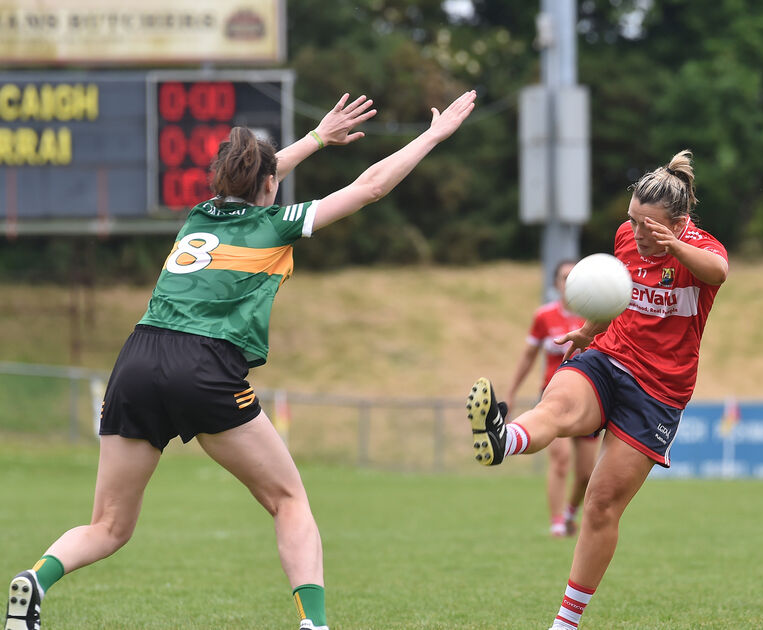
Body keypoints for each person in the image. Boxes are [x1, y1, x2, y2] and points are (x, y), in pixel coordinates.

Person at [3, 89, 476, 630]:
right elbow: (369, 187)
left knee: (108, 526)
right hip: (204, 364)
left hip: (136, 357)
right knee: (288, 500)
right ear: (270, 187)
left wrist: (319, 139)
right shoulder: (274, 225)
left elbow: (259, 179)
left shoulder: (196, 218)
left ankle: (37, 579)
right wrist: (432, 136)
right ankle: (315, 625)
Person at [466, 150, 728, 630]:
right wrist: (589, 330)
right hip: (611, 356)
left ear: (680, 222)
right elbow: (617, 292)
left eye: (652, 227)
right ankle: (504, 438)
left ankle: (565, 624)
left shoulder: (700, 249)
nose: (638, 233)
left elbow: (718, 273)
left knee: (602, 504)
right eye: (633, 221)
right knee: (558, 406)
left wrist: (675, 248)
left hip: (659, 393)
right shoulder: (627, 237)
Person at [504, 259, 600, 538]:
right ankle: (557, 522)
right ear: (555, 283)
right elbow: (527, 358)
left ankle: (570, 512)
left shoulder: (597, 314)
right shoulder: (544, 317)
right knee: (559, 460)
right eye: (563, 277)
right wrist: (510, 393)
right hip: (553, 398)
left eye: (573, 277)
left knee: (586, 473)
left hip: (588, 399)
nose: (568, 283)